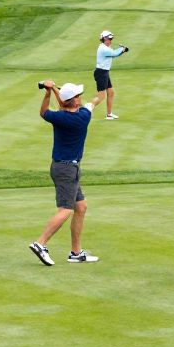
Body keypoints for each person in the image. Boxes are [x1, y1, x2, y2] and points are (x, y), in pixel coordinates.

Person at [29, 81, 104, 266]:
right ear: (75, 100)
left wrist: (49, 91)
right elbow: (94, 101)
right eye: (78, 95)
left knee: (81, 207)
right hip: (67, 170)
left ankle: (76, 253)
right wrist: (99, 95)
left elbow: (44, 112)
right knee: (66, 209)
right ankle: (40, 243)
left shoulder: (59, 118)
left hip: (64, 168)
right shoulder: (83, 116)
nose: (80, 97)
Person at [94, 31, 129, 120]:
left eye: (111, 39)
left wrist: (122, 50)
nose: (111, 40)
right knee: (101, 96)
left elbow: (113, 55)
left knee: (111, 92)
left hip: (105, 72)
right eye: (109, 39)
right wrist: (122, 49)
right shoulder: (103, 49)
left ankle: (109, 114)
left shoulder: (107, 47)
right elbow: (114, 53)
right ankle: (85, 110)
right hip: (101, 73)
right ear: (104, 39)